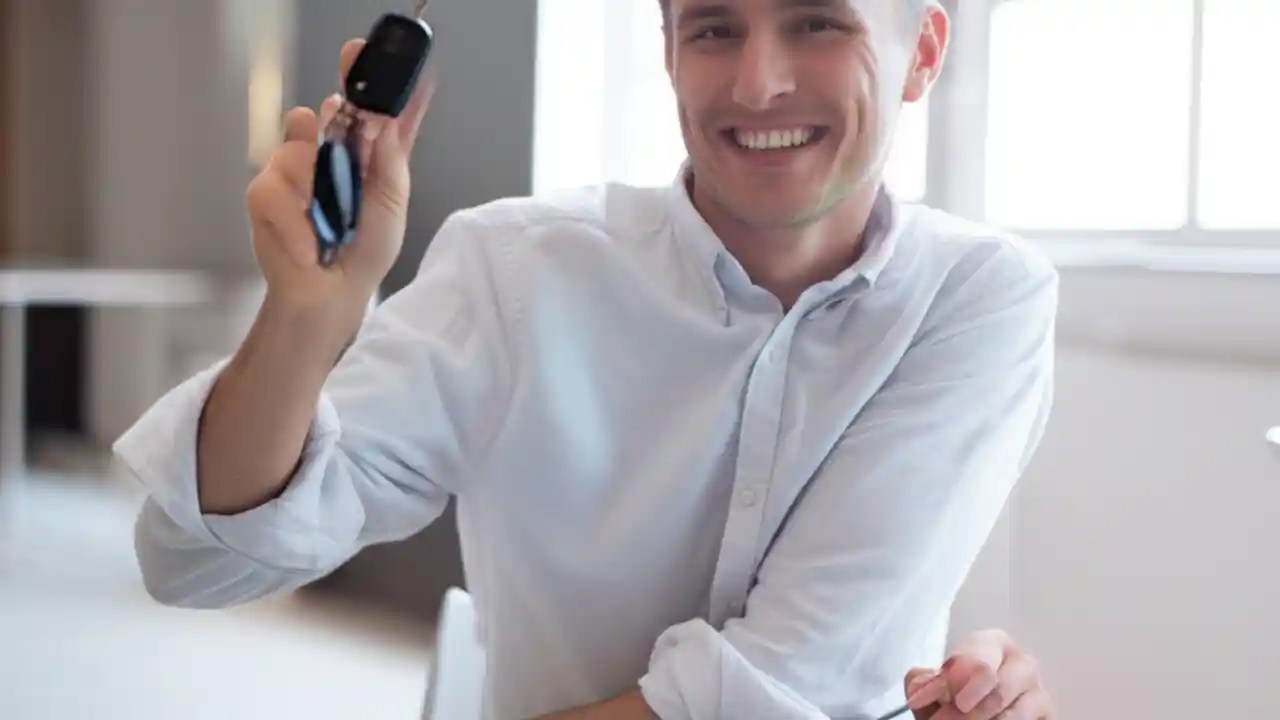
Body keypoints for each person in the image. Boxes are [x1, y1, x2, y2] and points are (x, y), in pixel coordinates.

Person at [114, 0, 1059, 717]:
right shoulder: (515, 266)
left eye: (818, 22)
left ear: (922, 54)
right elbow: (198, 559)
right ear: (667, 51)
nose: (758, 83)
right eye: (714, 29)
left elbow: (775, 690)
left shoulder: (979, 295)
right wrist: (308, 317)